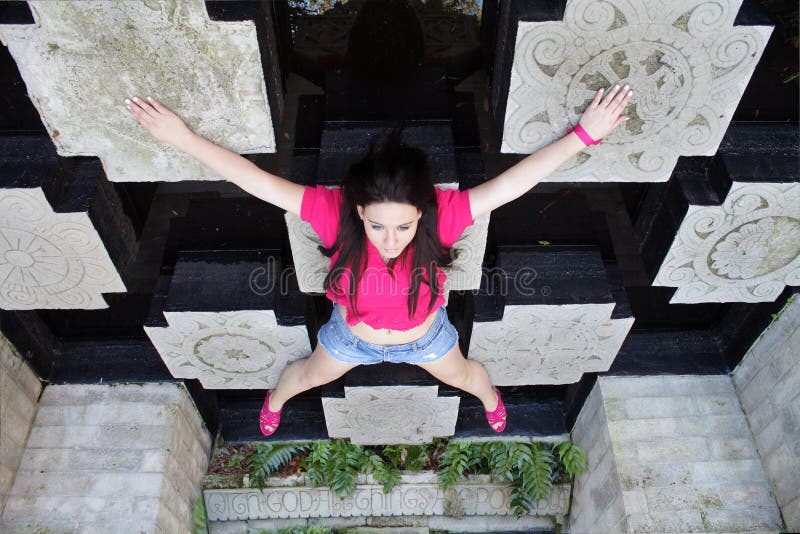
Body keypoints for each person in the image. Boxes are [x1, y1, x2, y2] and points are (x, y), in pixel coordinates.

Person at [126, 84, 632, 436]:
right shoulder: (332, 213)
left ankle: (492, 403)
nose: (391, 241)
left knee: (470, 378)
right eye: (377, 226)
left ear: (422, 214)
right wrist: (182, 138)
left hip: (426, 338)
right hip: (352, 338)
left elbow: (513, 184)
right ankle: (273, 403)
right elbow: (255, 180)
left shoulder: (445, 216)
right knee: (303, 377)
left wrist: (584, 135)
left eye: (404, 227)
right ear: (359, 212)